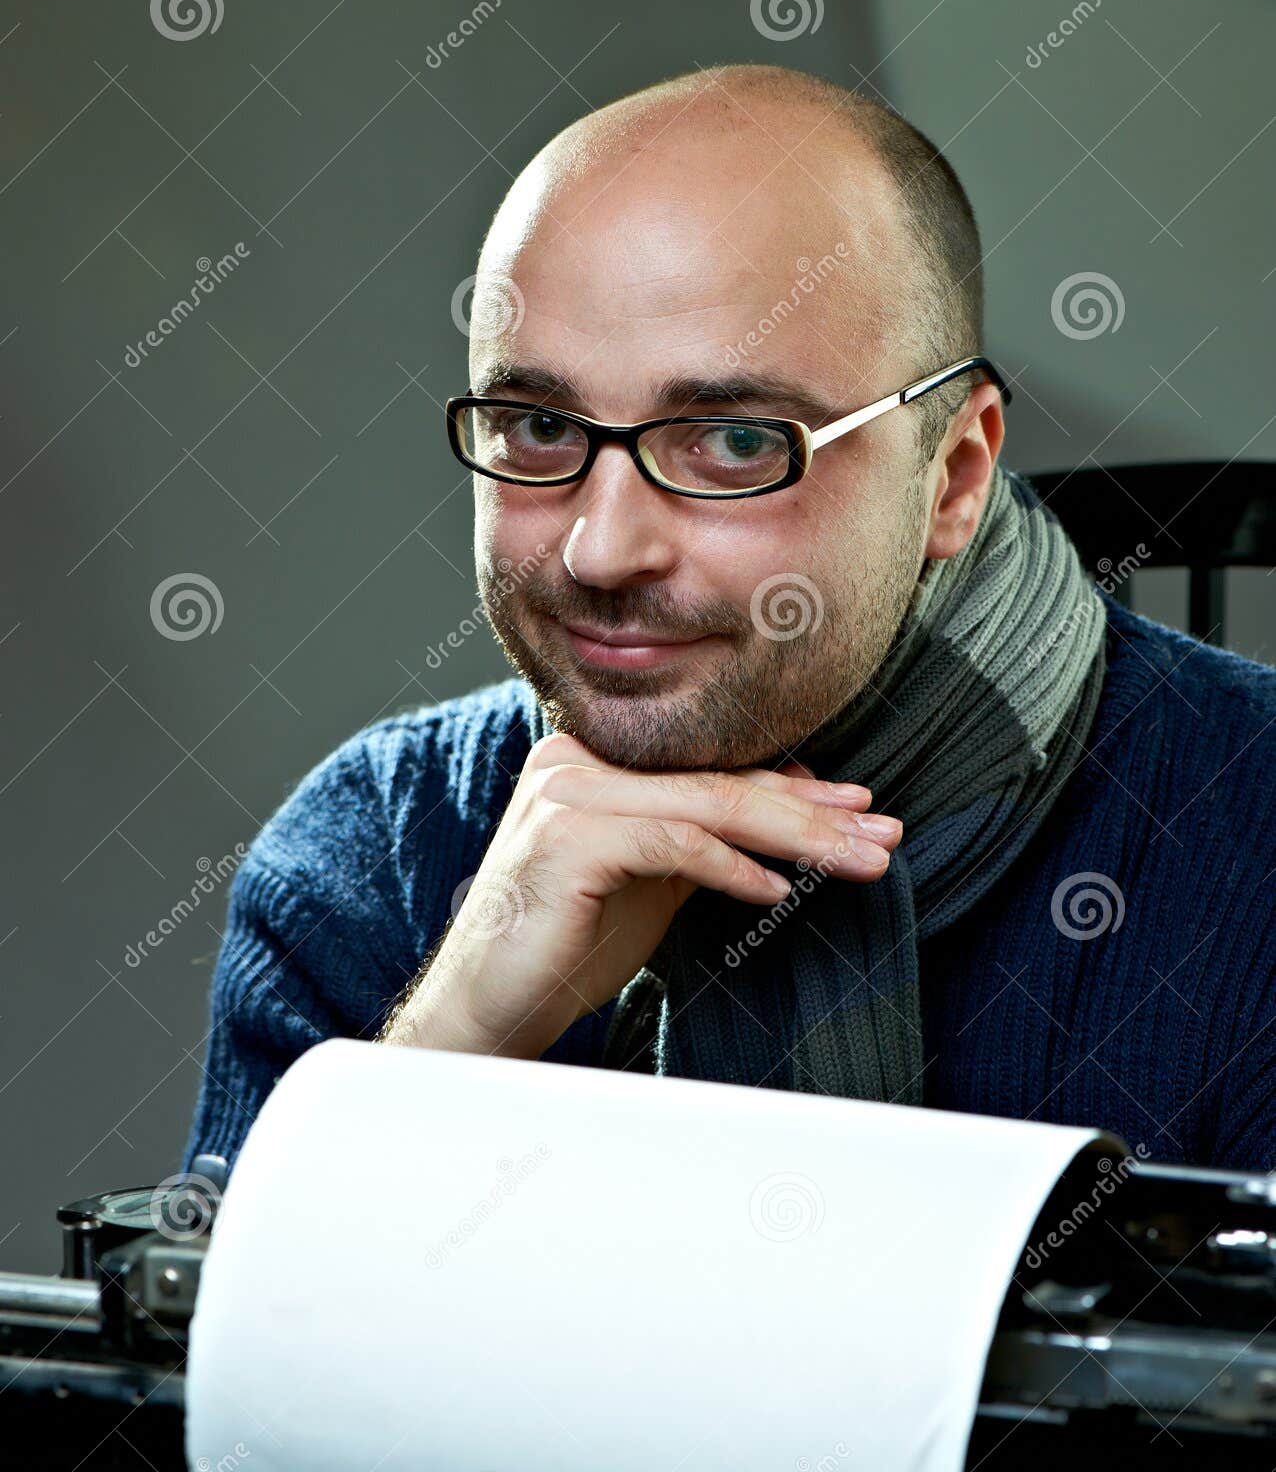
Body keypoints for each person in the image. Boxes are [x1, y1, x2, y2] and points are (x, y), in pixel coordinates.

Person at [179, 62, 1276, 1177]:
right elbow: (209, 1292)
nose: (602, 550)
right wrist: (454, 1044)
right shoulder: (374, 853)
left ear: (951, 476)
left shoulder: (1251, 839)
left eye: (736, 442)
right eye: (539, 427)